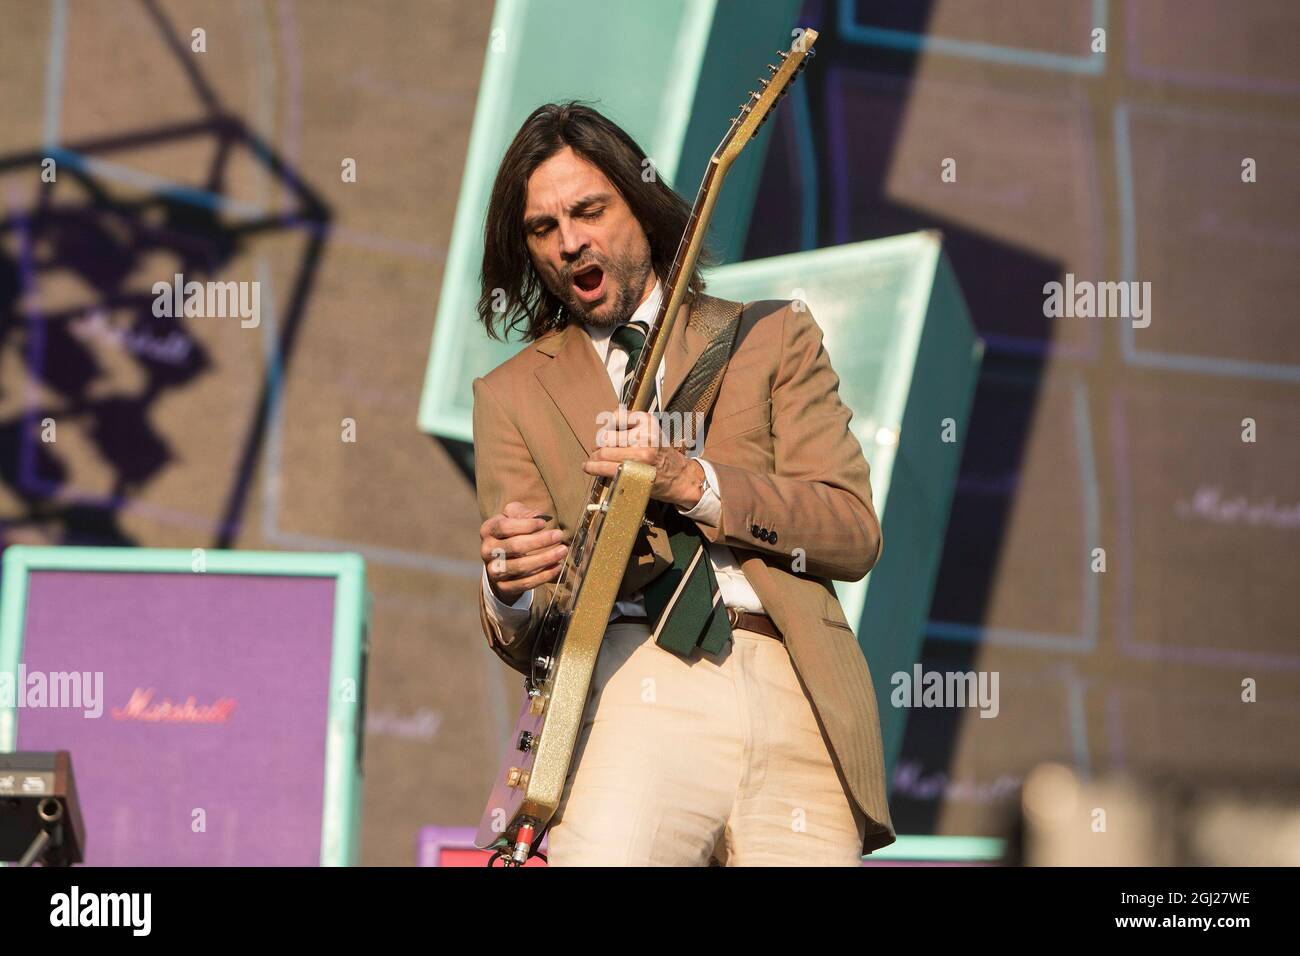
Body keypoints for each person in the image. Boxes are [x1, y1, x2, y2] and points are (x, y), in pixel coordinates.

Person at [472, 102, 894, 865]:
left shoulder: (771, 336)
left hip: (795, 690)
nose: (570, 242)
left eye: (589, 210)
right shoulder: (512, 394)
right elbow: (529, 632)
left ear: (641, 203)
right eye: (542, 229)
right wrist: (510, 585)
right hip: (631, 683)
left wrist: (692, 479)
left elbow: (851, 530)